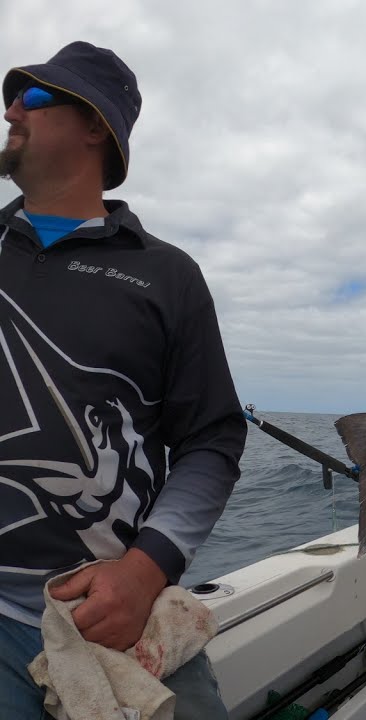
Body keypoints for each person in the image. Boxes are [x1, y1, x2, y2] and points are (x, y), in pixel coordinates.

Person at [0, 42, 245, 718]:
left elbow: (211, 441)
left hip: (119, 620)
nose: (13, 108)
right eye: (11, 98)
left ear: (94, 127)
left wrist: (143, 574)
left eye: (36, 97)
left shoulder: (166, 276)